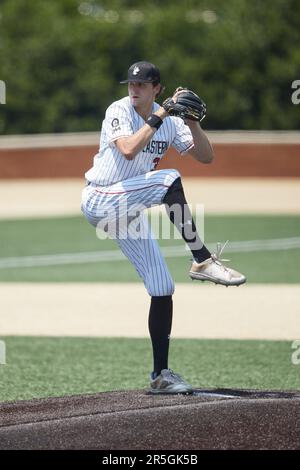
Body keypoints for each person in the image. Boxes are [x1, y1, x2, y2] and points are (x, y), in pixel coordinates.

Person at [81, 61, 246, 395]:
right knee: (169, 177)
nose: (134, 89)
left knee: (162, 287)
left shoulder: (168, 119)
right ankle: (202, 259)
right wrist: (161, 116)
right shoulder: (120, 109)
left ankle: (160, 374)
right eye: (131, 83)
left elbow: (205, 157)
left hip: (129, 207)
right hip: (101, 199)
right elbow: (127, 151)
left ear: (156, 88)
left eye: (142, 85)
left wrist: (192, 123)